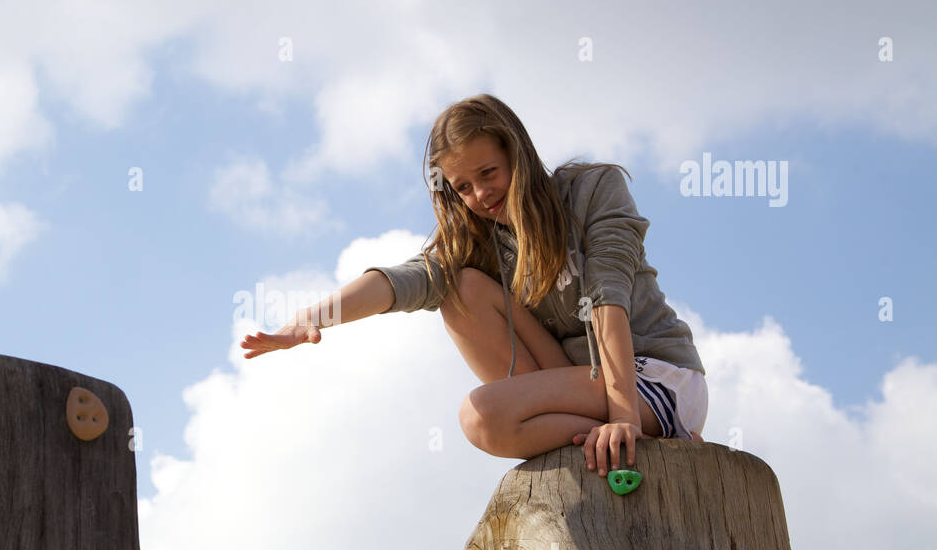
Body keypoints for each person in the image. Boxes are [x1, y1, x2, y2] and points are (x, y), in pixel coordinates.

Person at [240, 93, 707, 478]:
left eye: (488, 174)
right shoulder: (482, 239)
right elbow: (408, 279)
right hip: (580, 382)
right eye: (462, 187)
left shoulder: (591, 189)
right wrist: (314, 317)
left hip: (651, 374)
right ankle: (612, 436)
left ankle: (645, 431)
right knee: (461, 295)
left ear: (517, 154)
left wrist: (624, 415)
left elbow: (609, 295)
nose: (480, 196)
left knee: (481, 413)